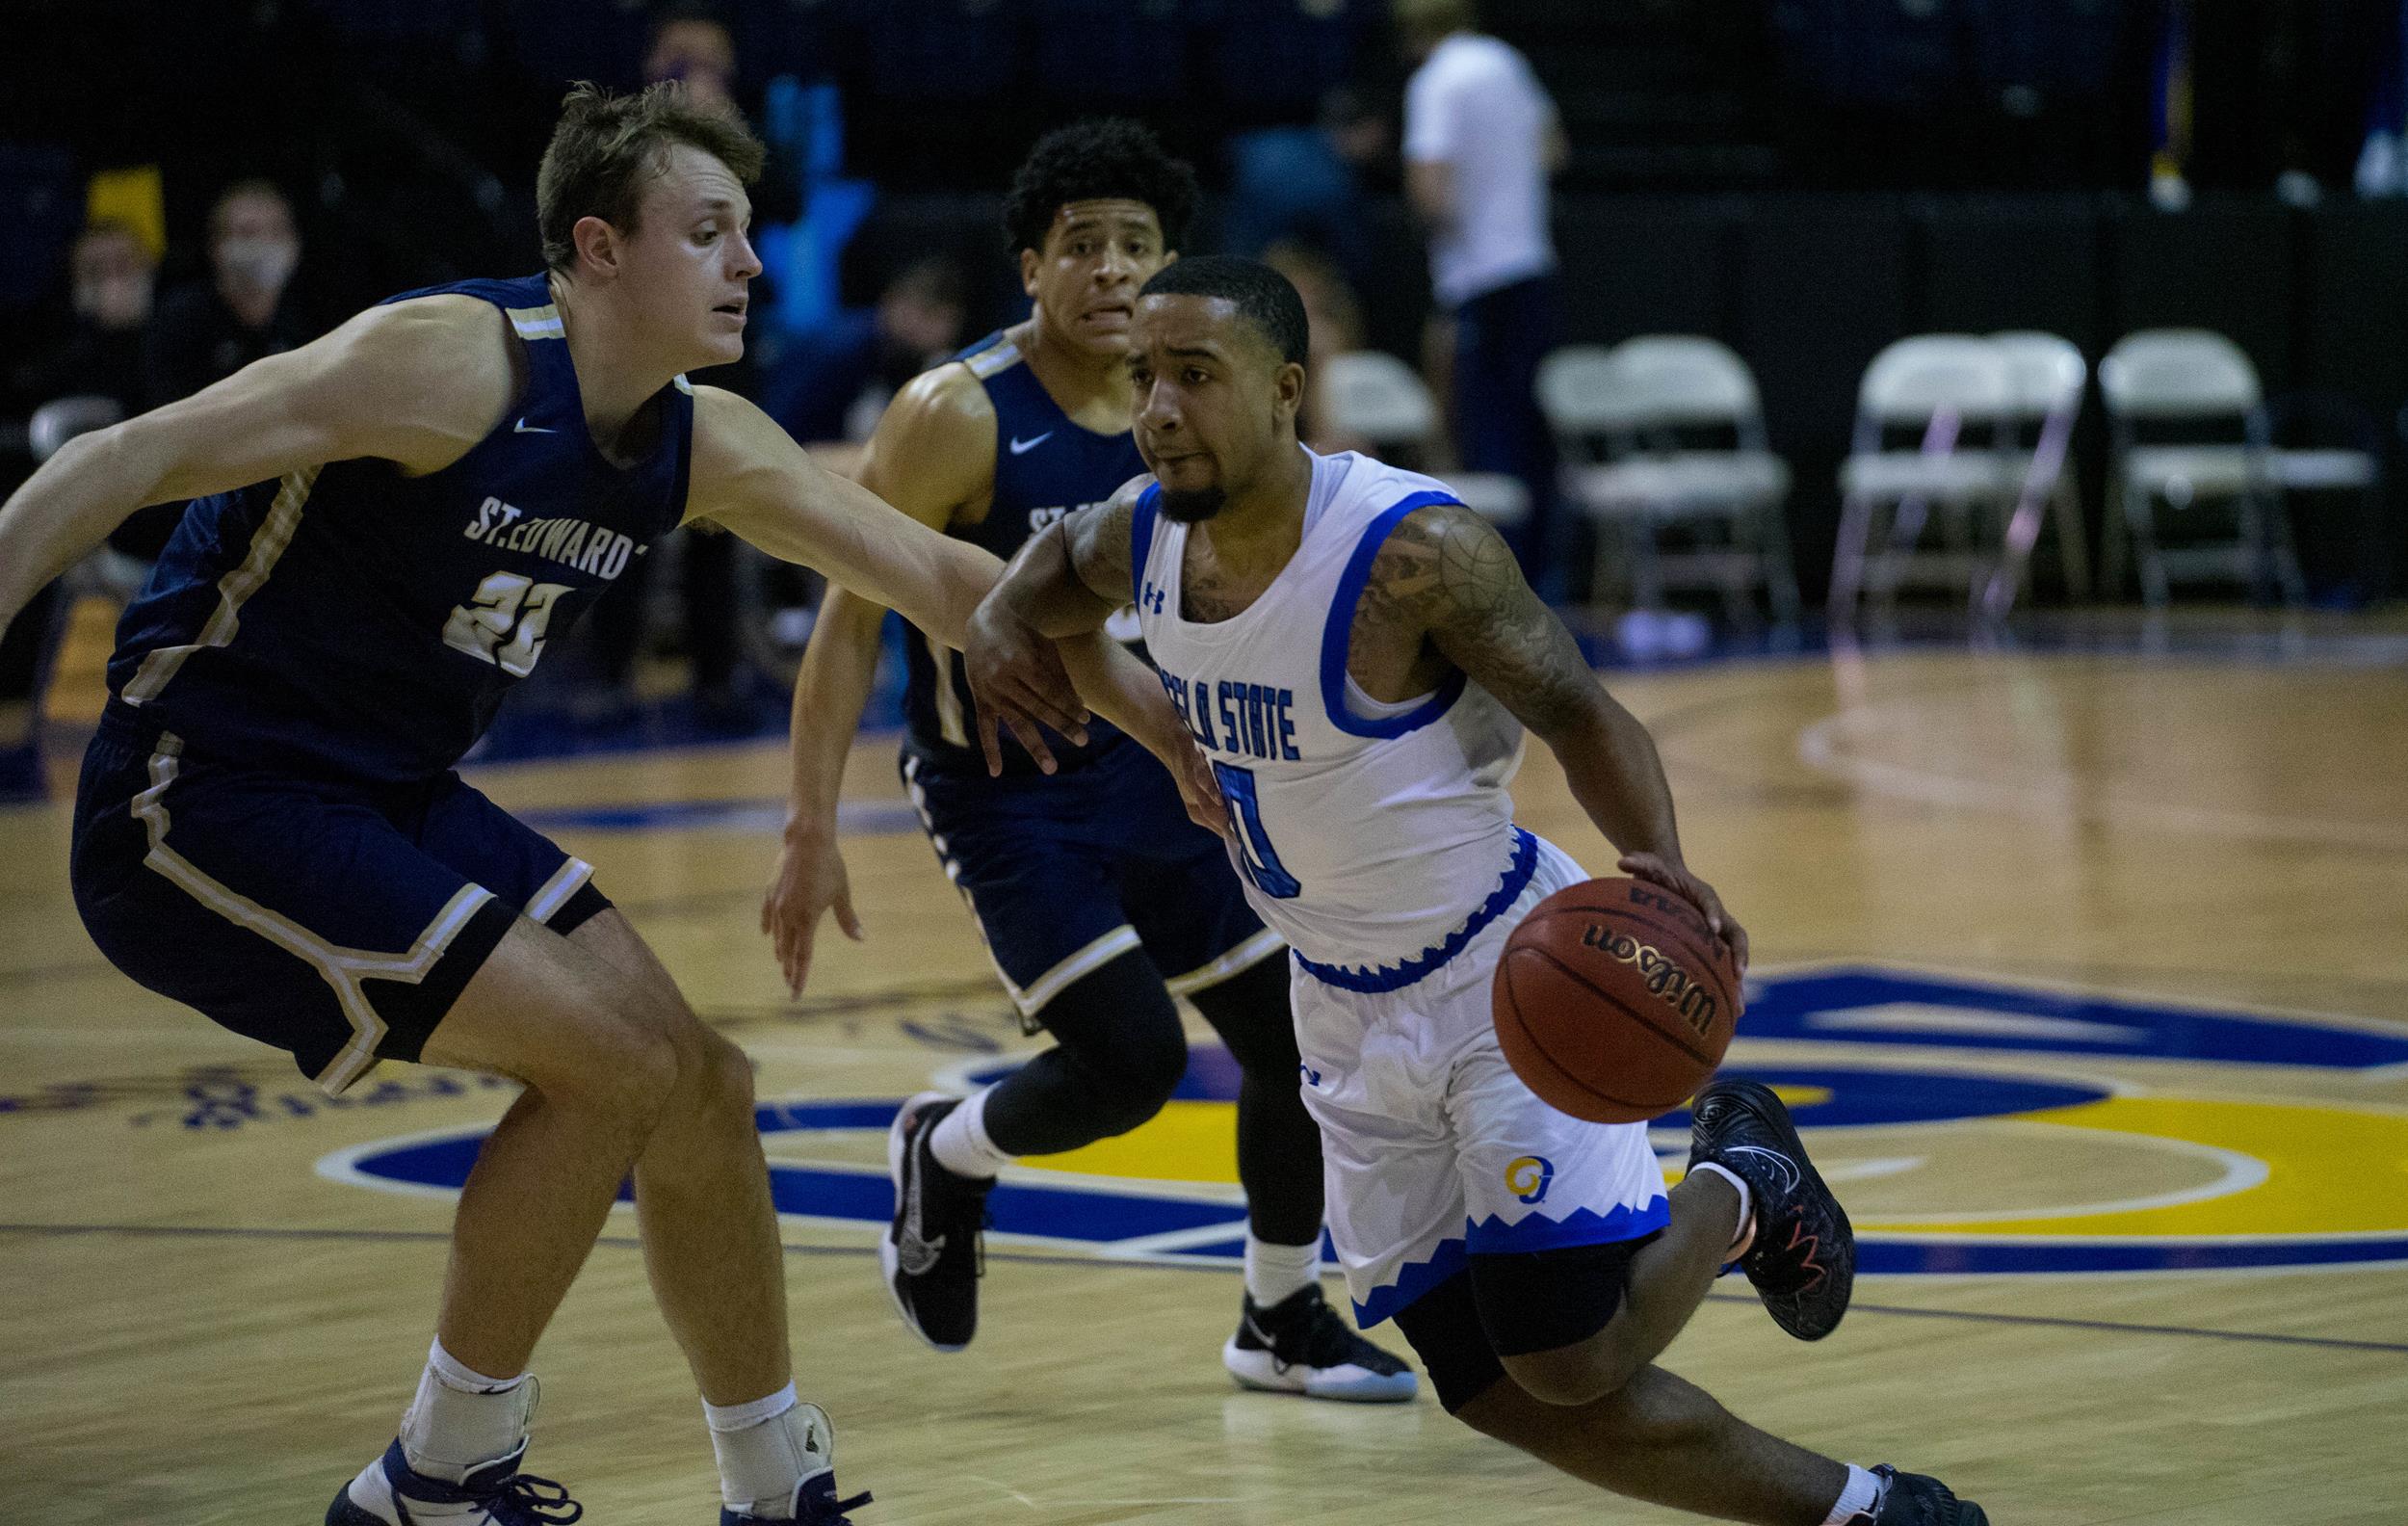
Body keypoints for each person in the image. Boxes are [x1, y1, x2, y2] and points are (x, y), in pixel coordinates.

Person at [0, 83, 1187, 1526]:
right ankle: (435, 1477)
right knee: (613, 1072)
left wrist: (1183, 744)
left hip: (387, 793)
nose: (750, 265)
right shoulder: (446, 365)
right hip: (197, 794)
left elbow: (956, 589)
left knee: (705, 1087)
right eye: (709, 231)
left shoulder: (704, 438)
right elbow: (112, 461)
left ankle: (771, 1482)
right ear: (599, 249)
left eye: (748, 232)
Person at [962, 257, 1992, 1526]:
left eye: (1195, 376)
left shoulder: (1413, 554)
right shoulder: (1140, 532)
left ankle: (1741, 1182)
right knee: (1483, 1385)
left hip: (1498, 979)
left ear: (1287, 392)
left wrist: (1659, 867)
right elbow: (1051, 571)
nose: (1160, 409)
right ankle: (1872, 1514)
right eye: (1144, 380)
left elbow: (1579, 709)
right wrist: (1031, 641)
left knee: (1573, 1356)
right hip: (1335, 1004)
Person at [762, 118, 1414, 1399]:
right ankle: (946, 1152)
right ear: (1029, 269)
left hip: (1149, 762)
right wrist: (808, 824)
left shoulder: (1189, 412)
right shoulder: (955, 415)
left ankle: (1278, 1318)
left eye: (1138, 247)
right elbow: (847, 620)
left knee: (1296, 1035)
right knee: (1129, 1063)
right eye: (1082, 246)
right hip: (1003, 791)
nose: (1112, 270)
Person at [1395, 0, 1564, 588]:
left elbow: (1430, 187)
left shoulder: (1436, 81)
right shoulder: (1507, 62)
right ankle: (1546, 577)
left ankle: (1500, 586)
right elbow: (1552, 150)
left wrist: (1452, 232)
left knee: (1485, 434)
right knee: (1531, 430)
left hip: (1478, 277)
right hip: (1531, 265)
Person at [143, 178, 315, 409]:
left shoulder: (305, 320)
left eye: (276, 231)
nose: (265, 243)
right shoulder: (181, 320)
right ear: (217, 247)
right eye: (248, 233)